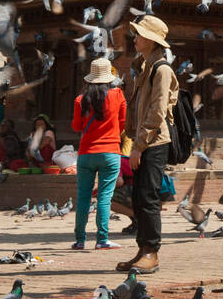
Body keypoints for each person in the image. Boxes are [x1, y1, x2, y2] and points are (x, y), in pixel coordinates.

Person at [116, 15, 179, 275]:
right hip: (142, 142)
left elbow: (157, 111)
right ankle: (142, 250)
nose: (135, 38)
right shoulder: (144, 67)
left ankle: (152, 252)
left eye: (139, 34)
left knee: (149, 198)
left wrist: (139, 145)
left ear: (152, 40)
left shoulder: (161, 69)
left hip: (154, 142)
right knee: (139, 197)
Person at [71, 58, 127, 251]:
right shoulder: (118, 95)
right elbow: (122, 124)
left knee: (83, 197)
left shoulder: (80, 100)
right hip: (110, 152)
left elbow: (77, 126)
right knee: (104, 197)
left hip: (86, 153)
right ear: (109, 78)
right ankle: (102, 240)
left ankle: (80, 240)